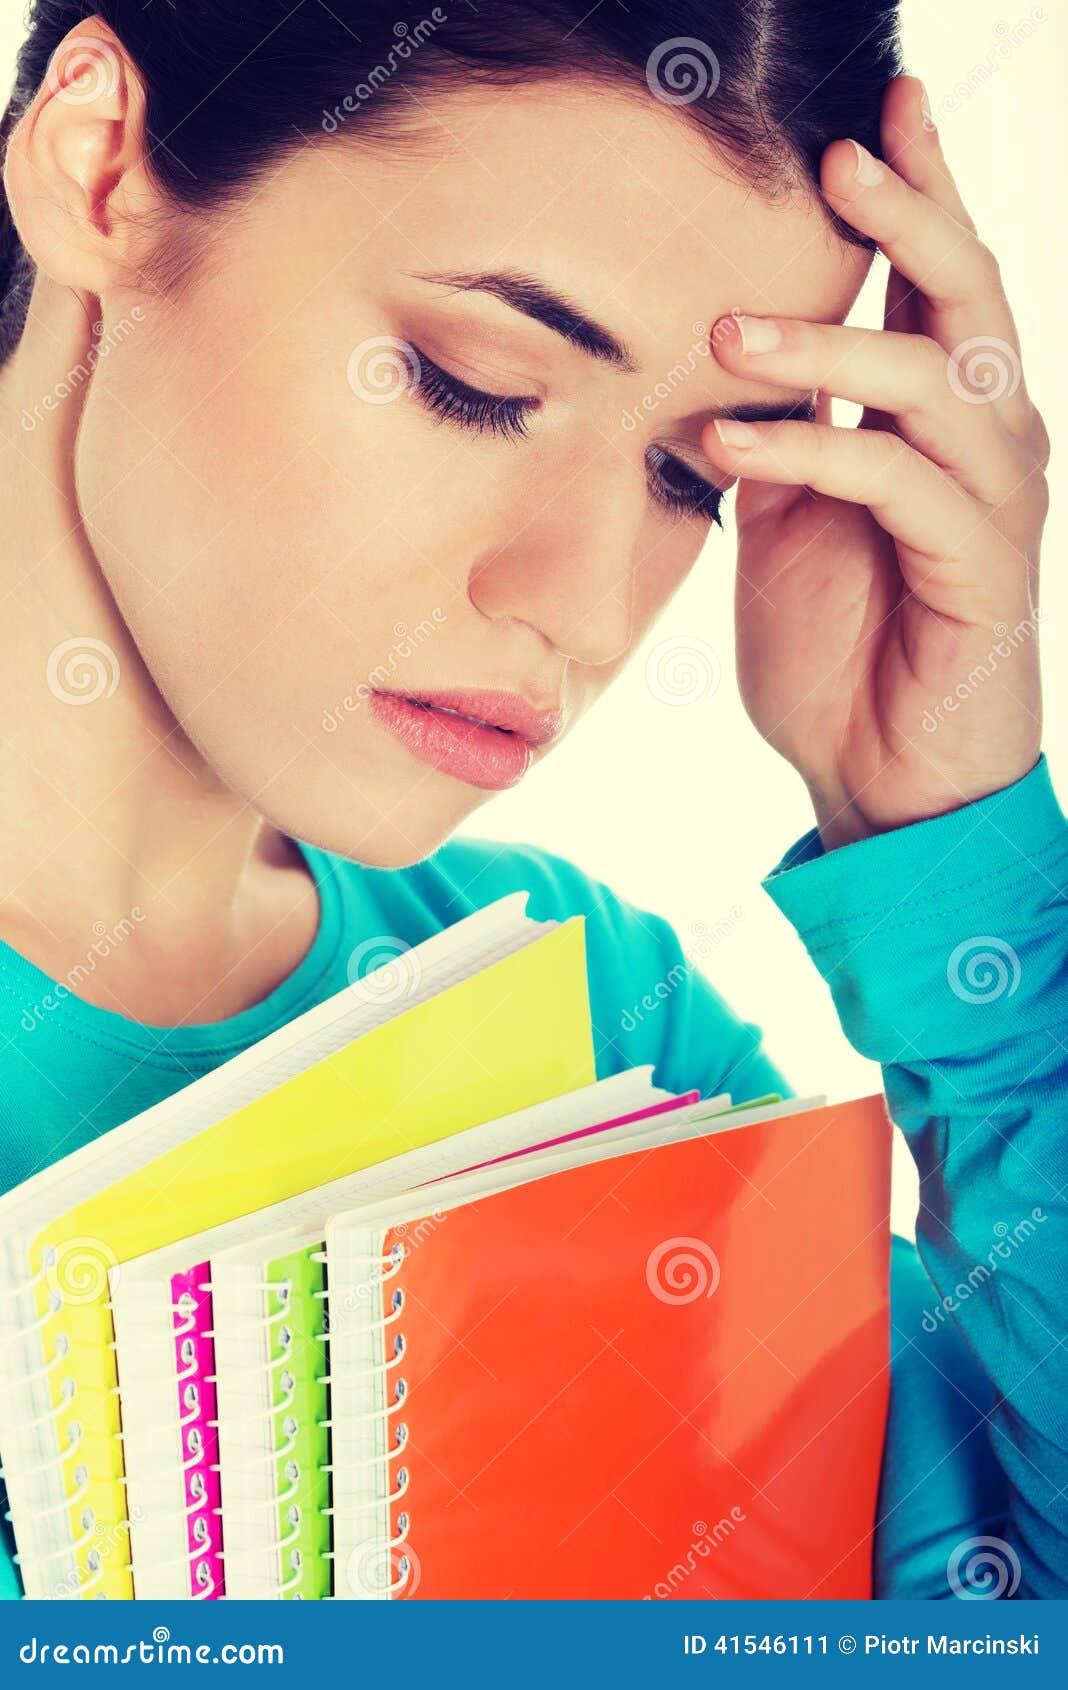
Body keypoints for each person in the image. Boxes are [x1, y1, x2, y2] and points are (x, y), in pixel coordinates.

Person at [0, 1, 1063, 1600]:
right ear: (98, 171)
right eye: (475, 383)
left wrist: (955, 842)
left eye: (689, 477)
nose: (581, 604)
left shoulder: (588, 1025)